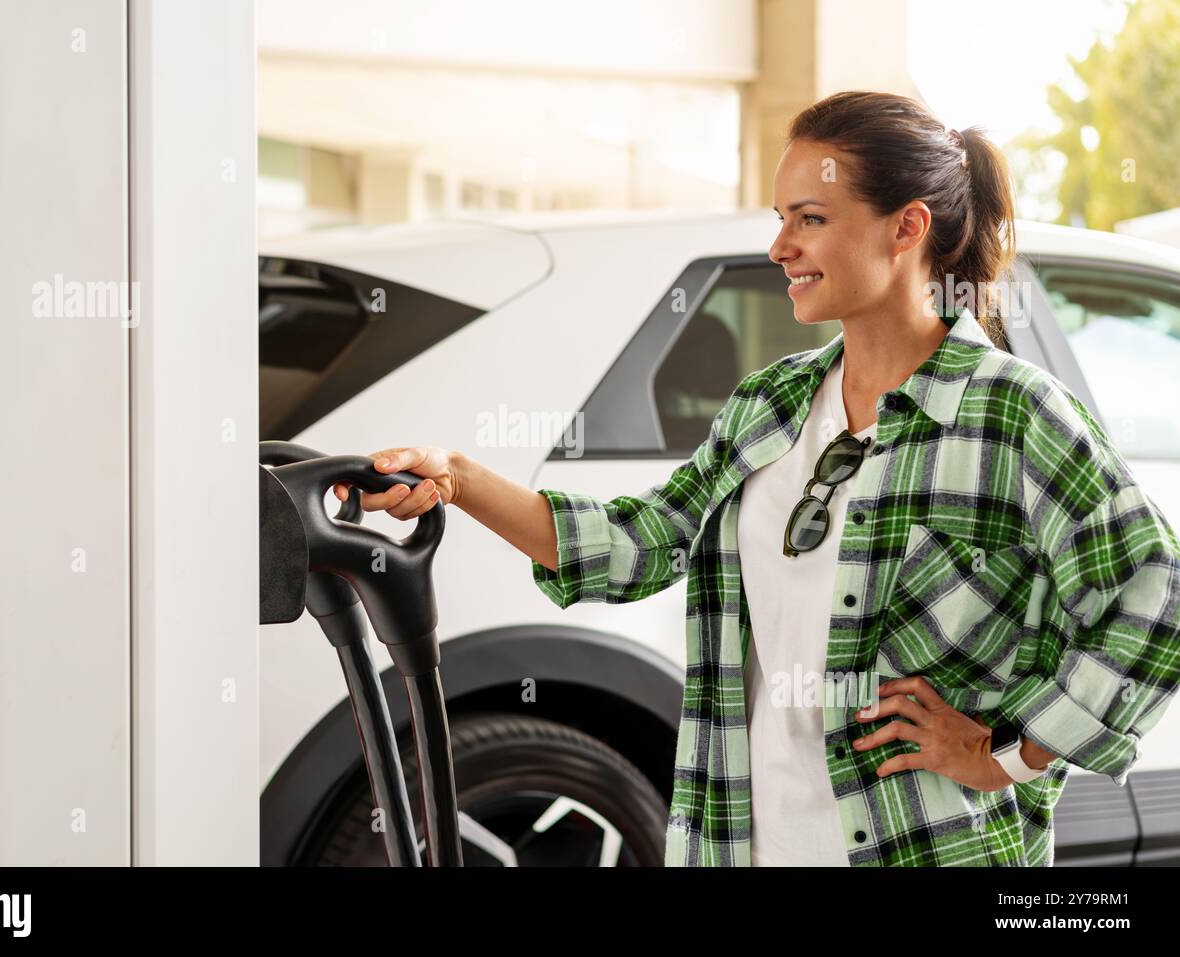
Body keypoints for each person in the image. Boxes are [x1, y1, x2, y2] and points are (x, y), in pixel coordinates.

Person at [332, 90, 1180, 867]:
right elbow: (641, 544)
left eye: (810, 218)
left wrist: (1012, 749)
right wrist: (459, 478)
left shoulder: (1013, 414)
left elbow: (1157, 592)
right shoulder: (770, 405)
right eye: (781, 218)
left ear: (906, 227)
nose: (781, 247)